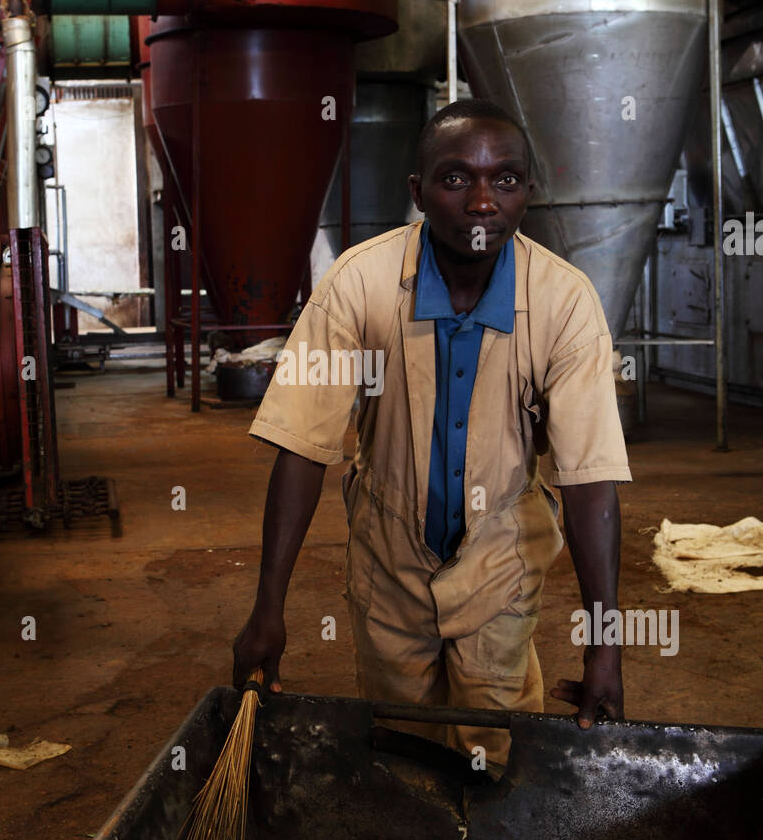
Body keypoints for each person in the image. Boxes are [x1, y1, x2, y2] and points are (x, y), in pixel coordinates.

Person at [233, 98, 631, 777]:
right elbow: (302, 445)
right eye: (455, 179)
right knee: (402, 746)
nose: (482, 201)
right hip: (388, 553)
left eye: (505, 180)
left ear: (528, 195)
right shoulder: (358, 283)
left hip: (502, 551)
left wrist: (606, 642)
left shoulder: (565, 302)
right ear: (417, 192)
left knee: (493, 747)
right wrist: (267, 607)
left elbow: (590, 478)